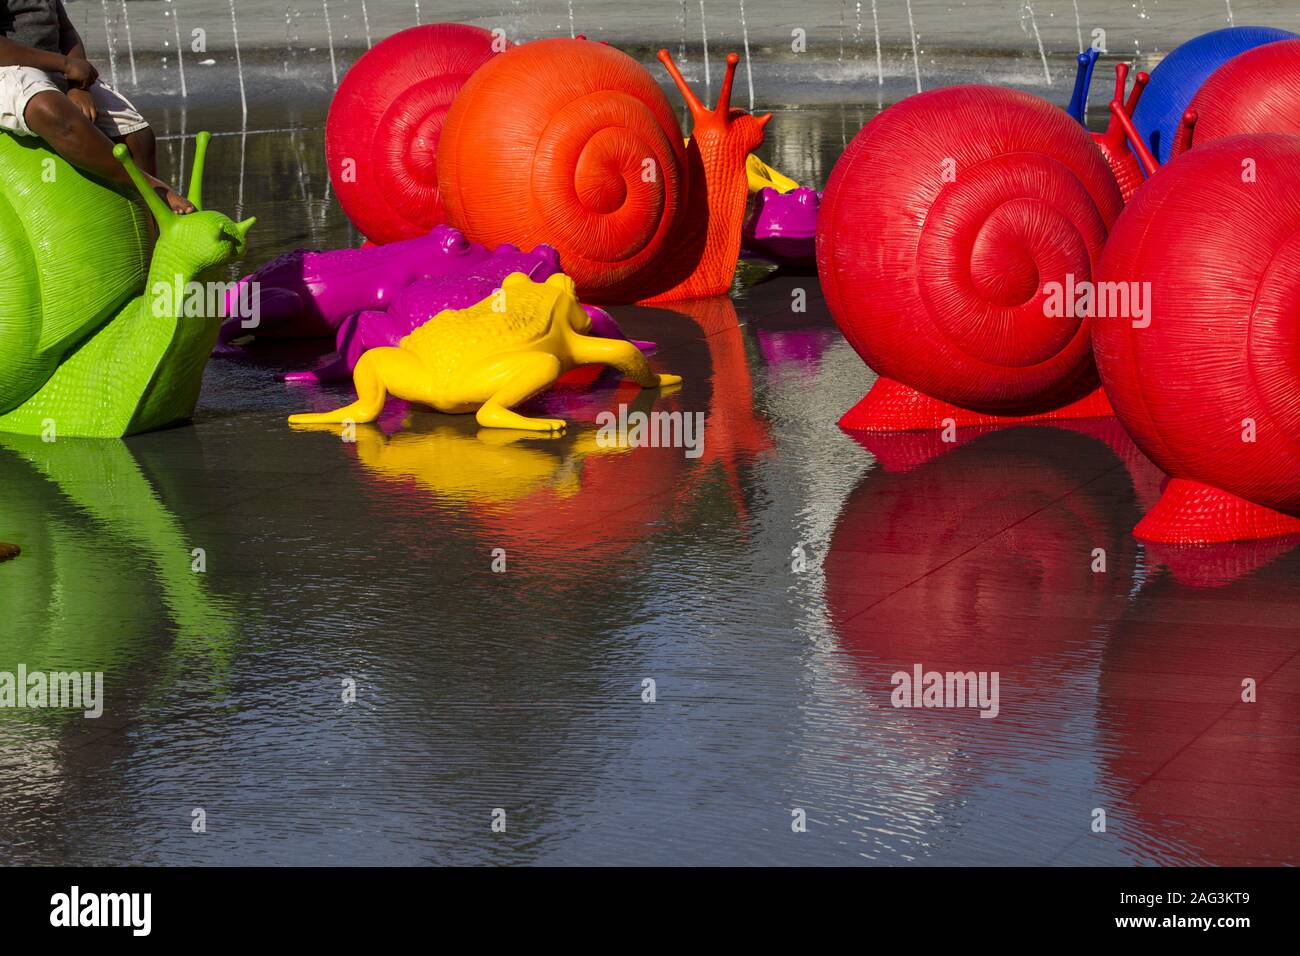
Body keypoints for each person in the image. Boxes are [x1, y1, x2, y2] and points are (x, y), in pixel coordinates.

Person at [0, 0, 194, 213]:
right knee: (50, 110)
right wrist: (66, 65)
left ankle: (156, 225)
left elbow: (65, 30)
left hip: (51, 66)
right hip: (8, 68)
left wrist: (78, 85)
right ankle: (150, 187)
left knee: (137, 135)